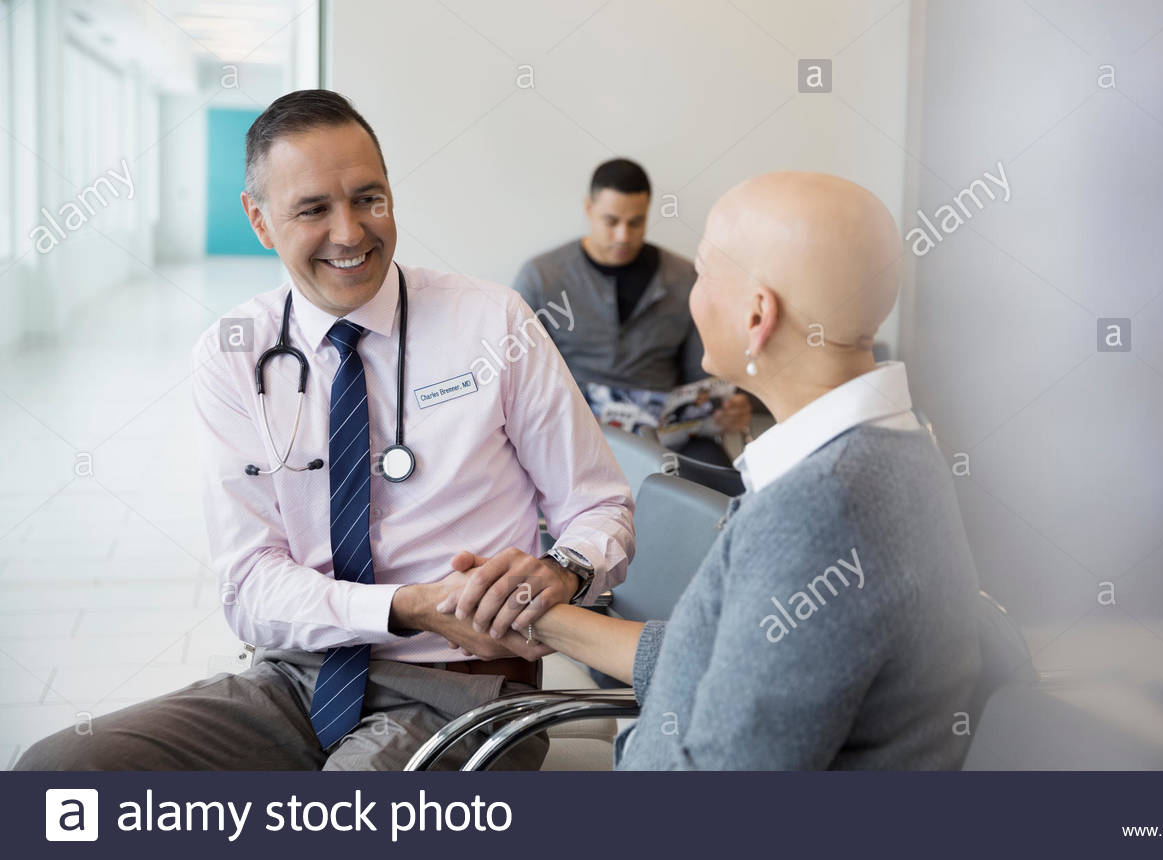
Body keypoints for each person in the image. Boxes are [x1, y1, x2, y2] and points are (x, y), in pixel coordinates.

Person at [16, 90, 634, 771]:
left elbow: (597, 506)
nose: (349, 232)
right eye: (312, 209)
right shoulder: (234, 353)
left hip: (465, 688)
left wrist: (565, 571)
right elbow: (250, 586)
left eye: (369, 198)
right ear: (259, 220)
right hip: (297, 676)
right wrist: (408, 606)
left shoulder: (494, 324)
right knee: (58, 773)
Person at [448, 171, 983, 769]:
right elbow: (718, 648)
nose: (689, 294)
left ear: (757, 315)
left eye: (702, 273)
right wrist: (541, 617)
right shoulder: (891, 450)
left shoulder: (818, 510)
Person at [513, 158, 751, 464]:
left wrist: (727, 411)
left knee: (721, 482)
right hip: (571, 434)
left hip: (665, 438)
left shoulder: (684, 278)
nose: (623, 236)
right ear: (589, 209)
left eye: (636, 222)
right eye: (611, 221)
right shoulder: (542, 277)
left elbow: (703, 379)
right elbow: (518, 377)